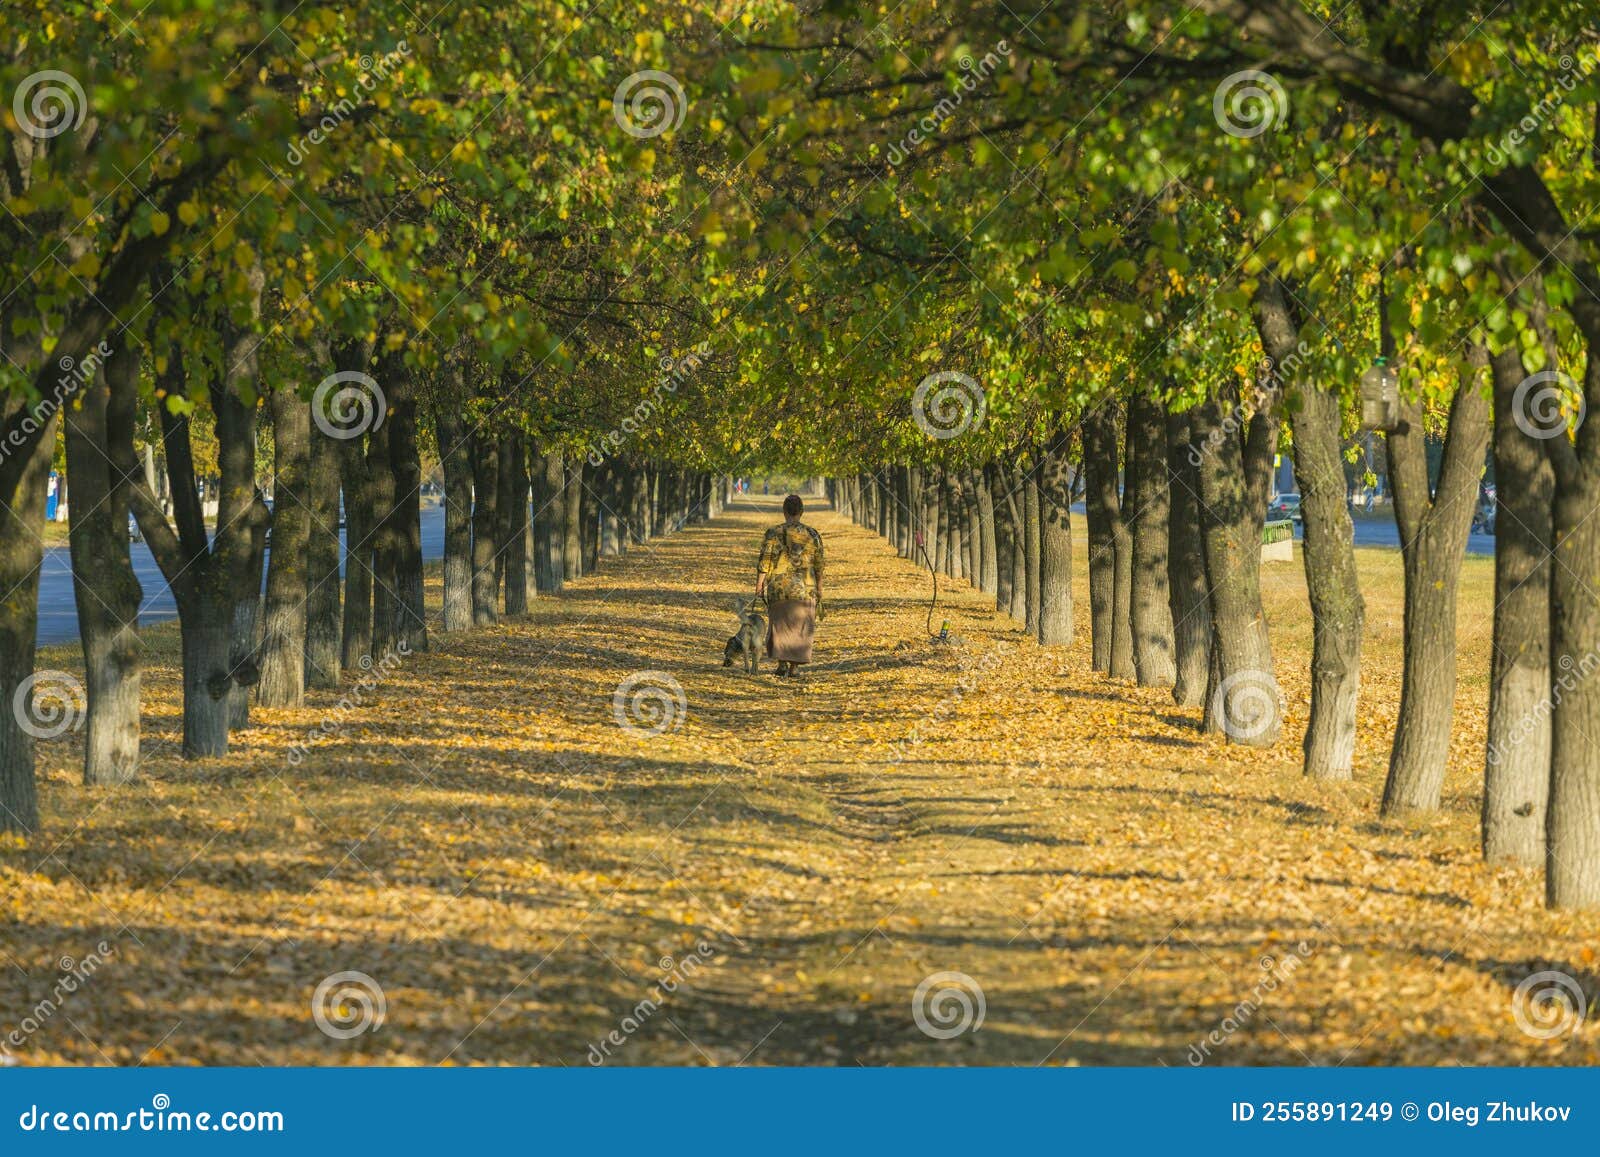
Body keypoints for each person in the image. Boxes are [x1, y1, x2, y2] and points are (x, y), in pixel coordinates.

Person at [756, 494, 824, 678]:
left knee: (780, 625)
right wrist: (819, 588)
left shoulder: (773, 533)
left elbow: (765, 561)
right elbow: (819, 564)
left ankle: (782, 664)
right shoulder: (813, 534)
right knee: (801, 626)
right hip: (806, 588)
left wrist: (759, 584)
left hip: (779, 587)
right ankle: (795, 667)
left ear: (784, 511)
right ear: (801, 512)